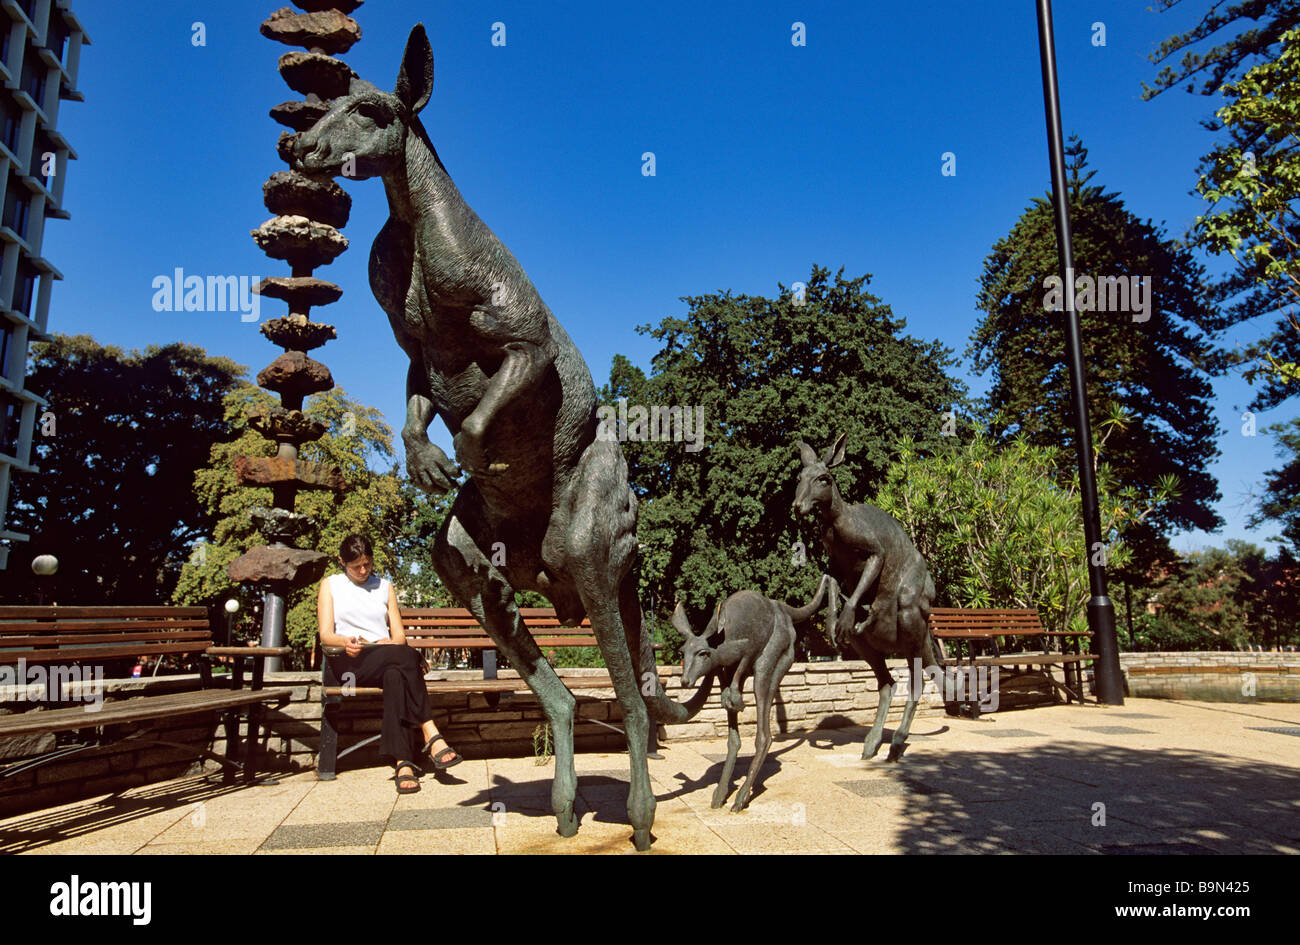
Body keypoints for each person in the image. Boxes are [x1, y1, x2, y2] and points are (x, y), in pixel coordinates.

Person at [316, 534, 461, 793]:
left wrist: (387, 644)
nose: (363, 571)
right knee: (407, 656)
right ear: (342, 562)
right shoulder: (331, 585)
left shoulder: (384, 587)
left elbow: (399, 637)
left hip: (385, 658)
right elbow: (325, 634)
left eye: (367, 564)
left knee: (396, 673)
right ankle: (430, 731)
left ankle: (403, 763)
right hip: (350, 661)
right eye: (356, 566)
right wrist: (344, 641)